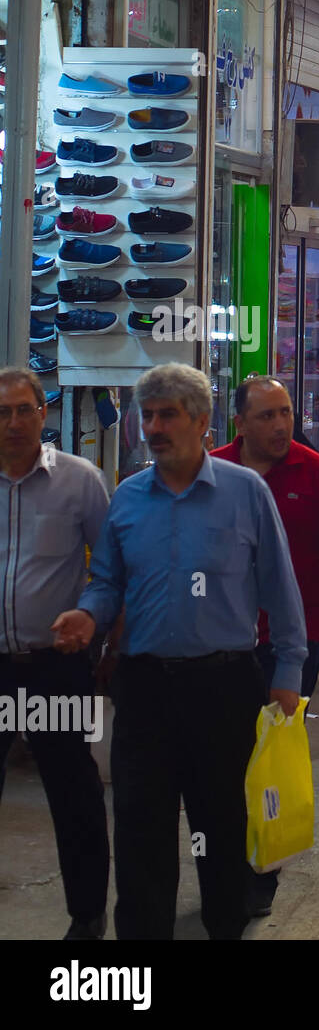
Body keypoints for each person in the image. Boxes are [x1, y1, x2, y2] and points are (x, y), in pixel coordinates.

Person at [51, 362, 307, 940]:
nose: (154, 427)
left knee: (221, 829)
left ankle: (225, 928)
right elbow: (108, 582)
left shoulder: (246, 493)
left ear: (201, 422)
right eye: (148, 415)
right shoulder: (129, 498)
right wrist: (88, 614)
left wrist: (288, 669)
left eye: (168, 415)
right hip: (143, 688)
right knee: (140, 831)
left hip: (224, 687)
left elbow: (279, 586)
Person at [212, 375, 319, 917]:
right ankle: (225, 863)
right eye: (266, 415)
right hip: (220, 640)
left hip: (294, 639)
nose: (281, 424)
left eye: (286, 412)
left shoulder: (317, 472)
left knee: (270, 757)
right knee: (224, 758)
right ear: (239, 422)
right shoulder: (213, 472)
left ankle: (262, 868)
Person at [0, 366, 111, 940]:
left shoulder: (80, 480)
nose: (14, 422)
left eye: (25, 409)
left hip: (56, 667)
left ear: (45, 413)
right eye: (3, 412)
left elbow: (112, 567)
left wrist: (91, 614)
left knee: (73, 793)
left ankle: (87, 916)